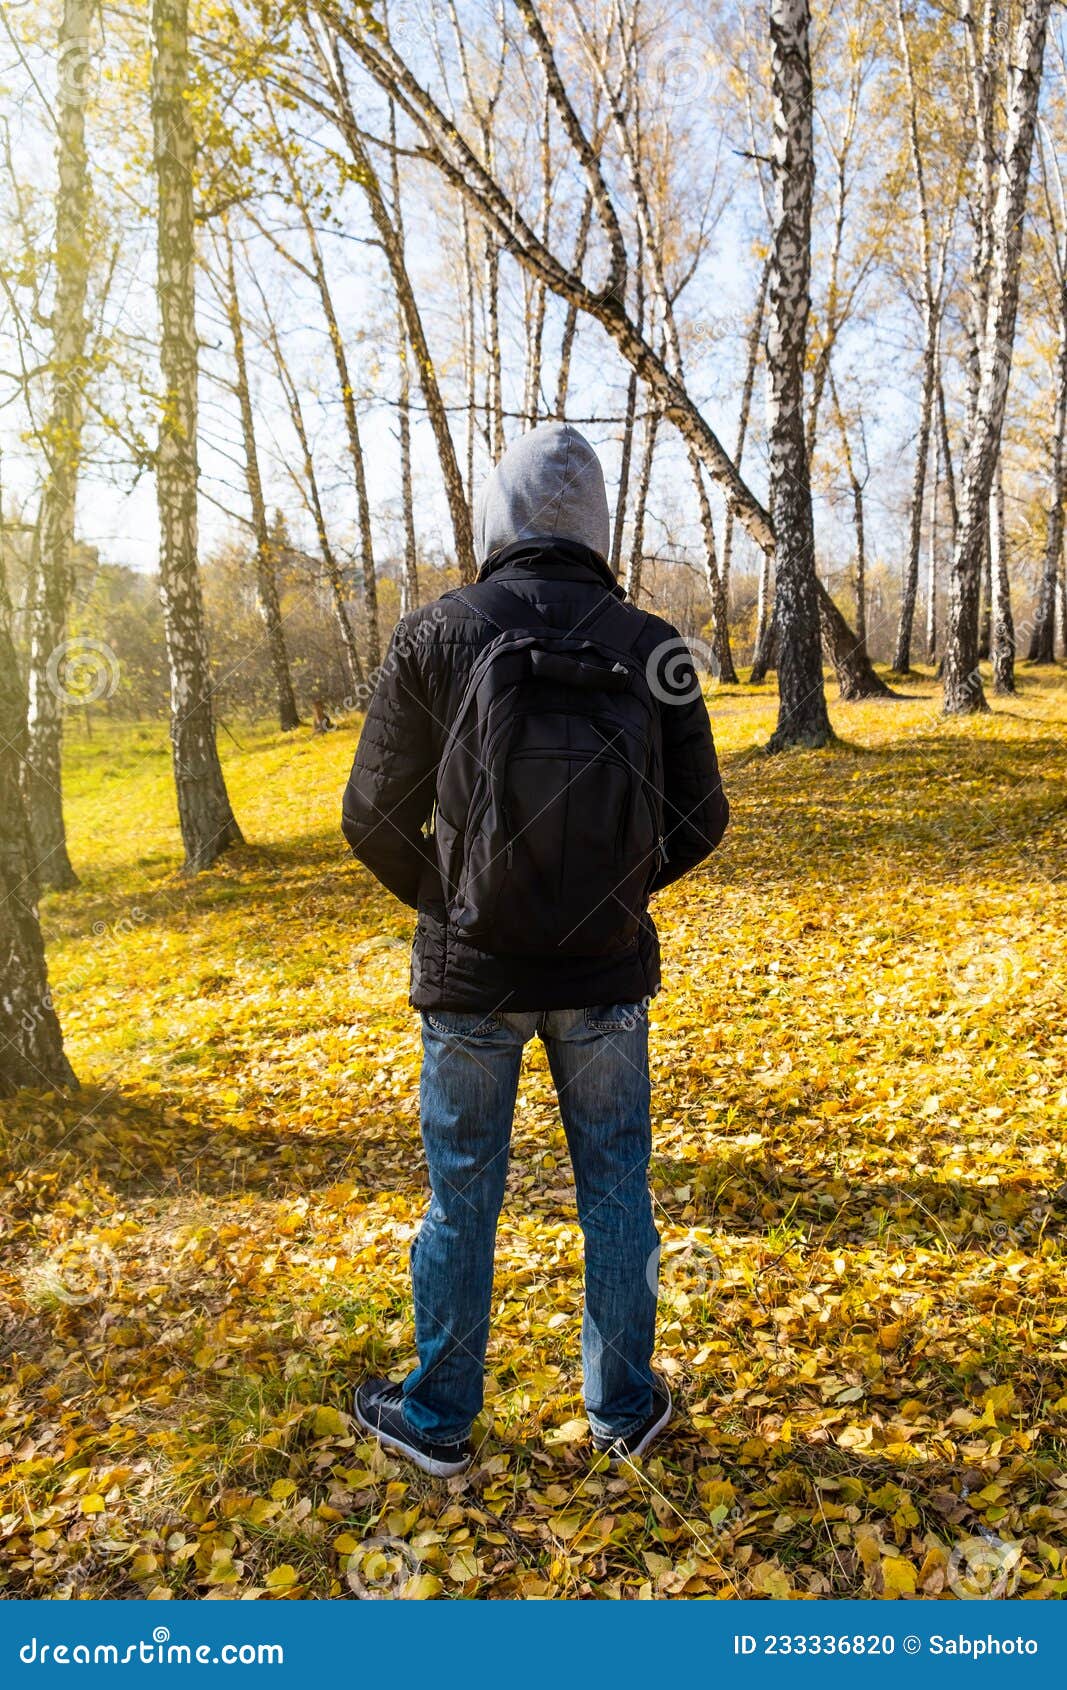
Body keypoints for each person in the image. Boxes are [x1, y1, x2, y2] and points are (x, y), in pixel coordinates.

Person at [341, 422, 728, 1477]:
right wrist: (606, 893)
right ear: (597, 518)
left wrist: (461, 900)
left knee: (461, 1192)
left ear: (497, 513)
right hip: (604, 975)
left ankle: (437, 1420)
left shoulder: (434, 632)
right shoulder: (657, 647)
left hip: (471, 979)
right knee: (615, 1187)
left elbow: (370, 817)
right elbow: (700, 818)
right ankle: (622, 1411)